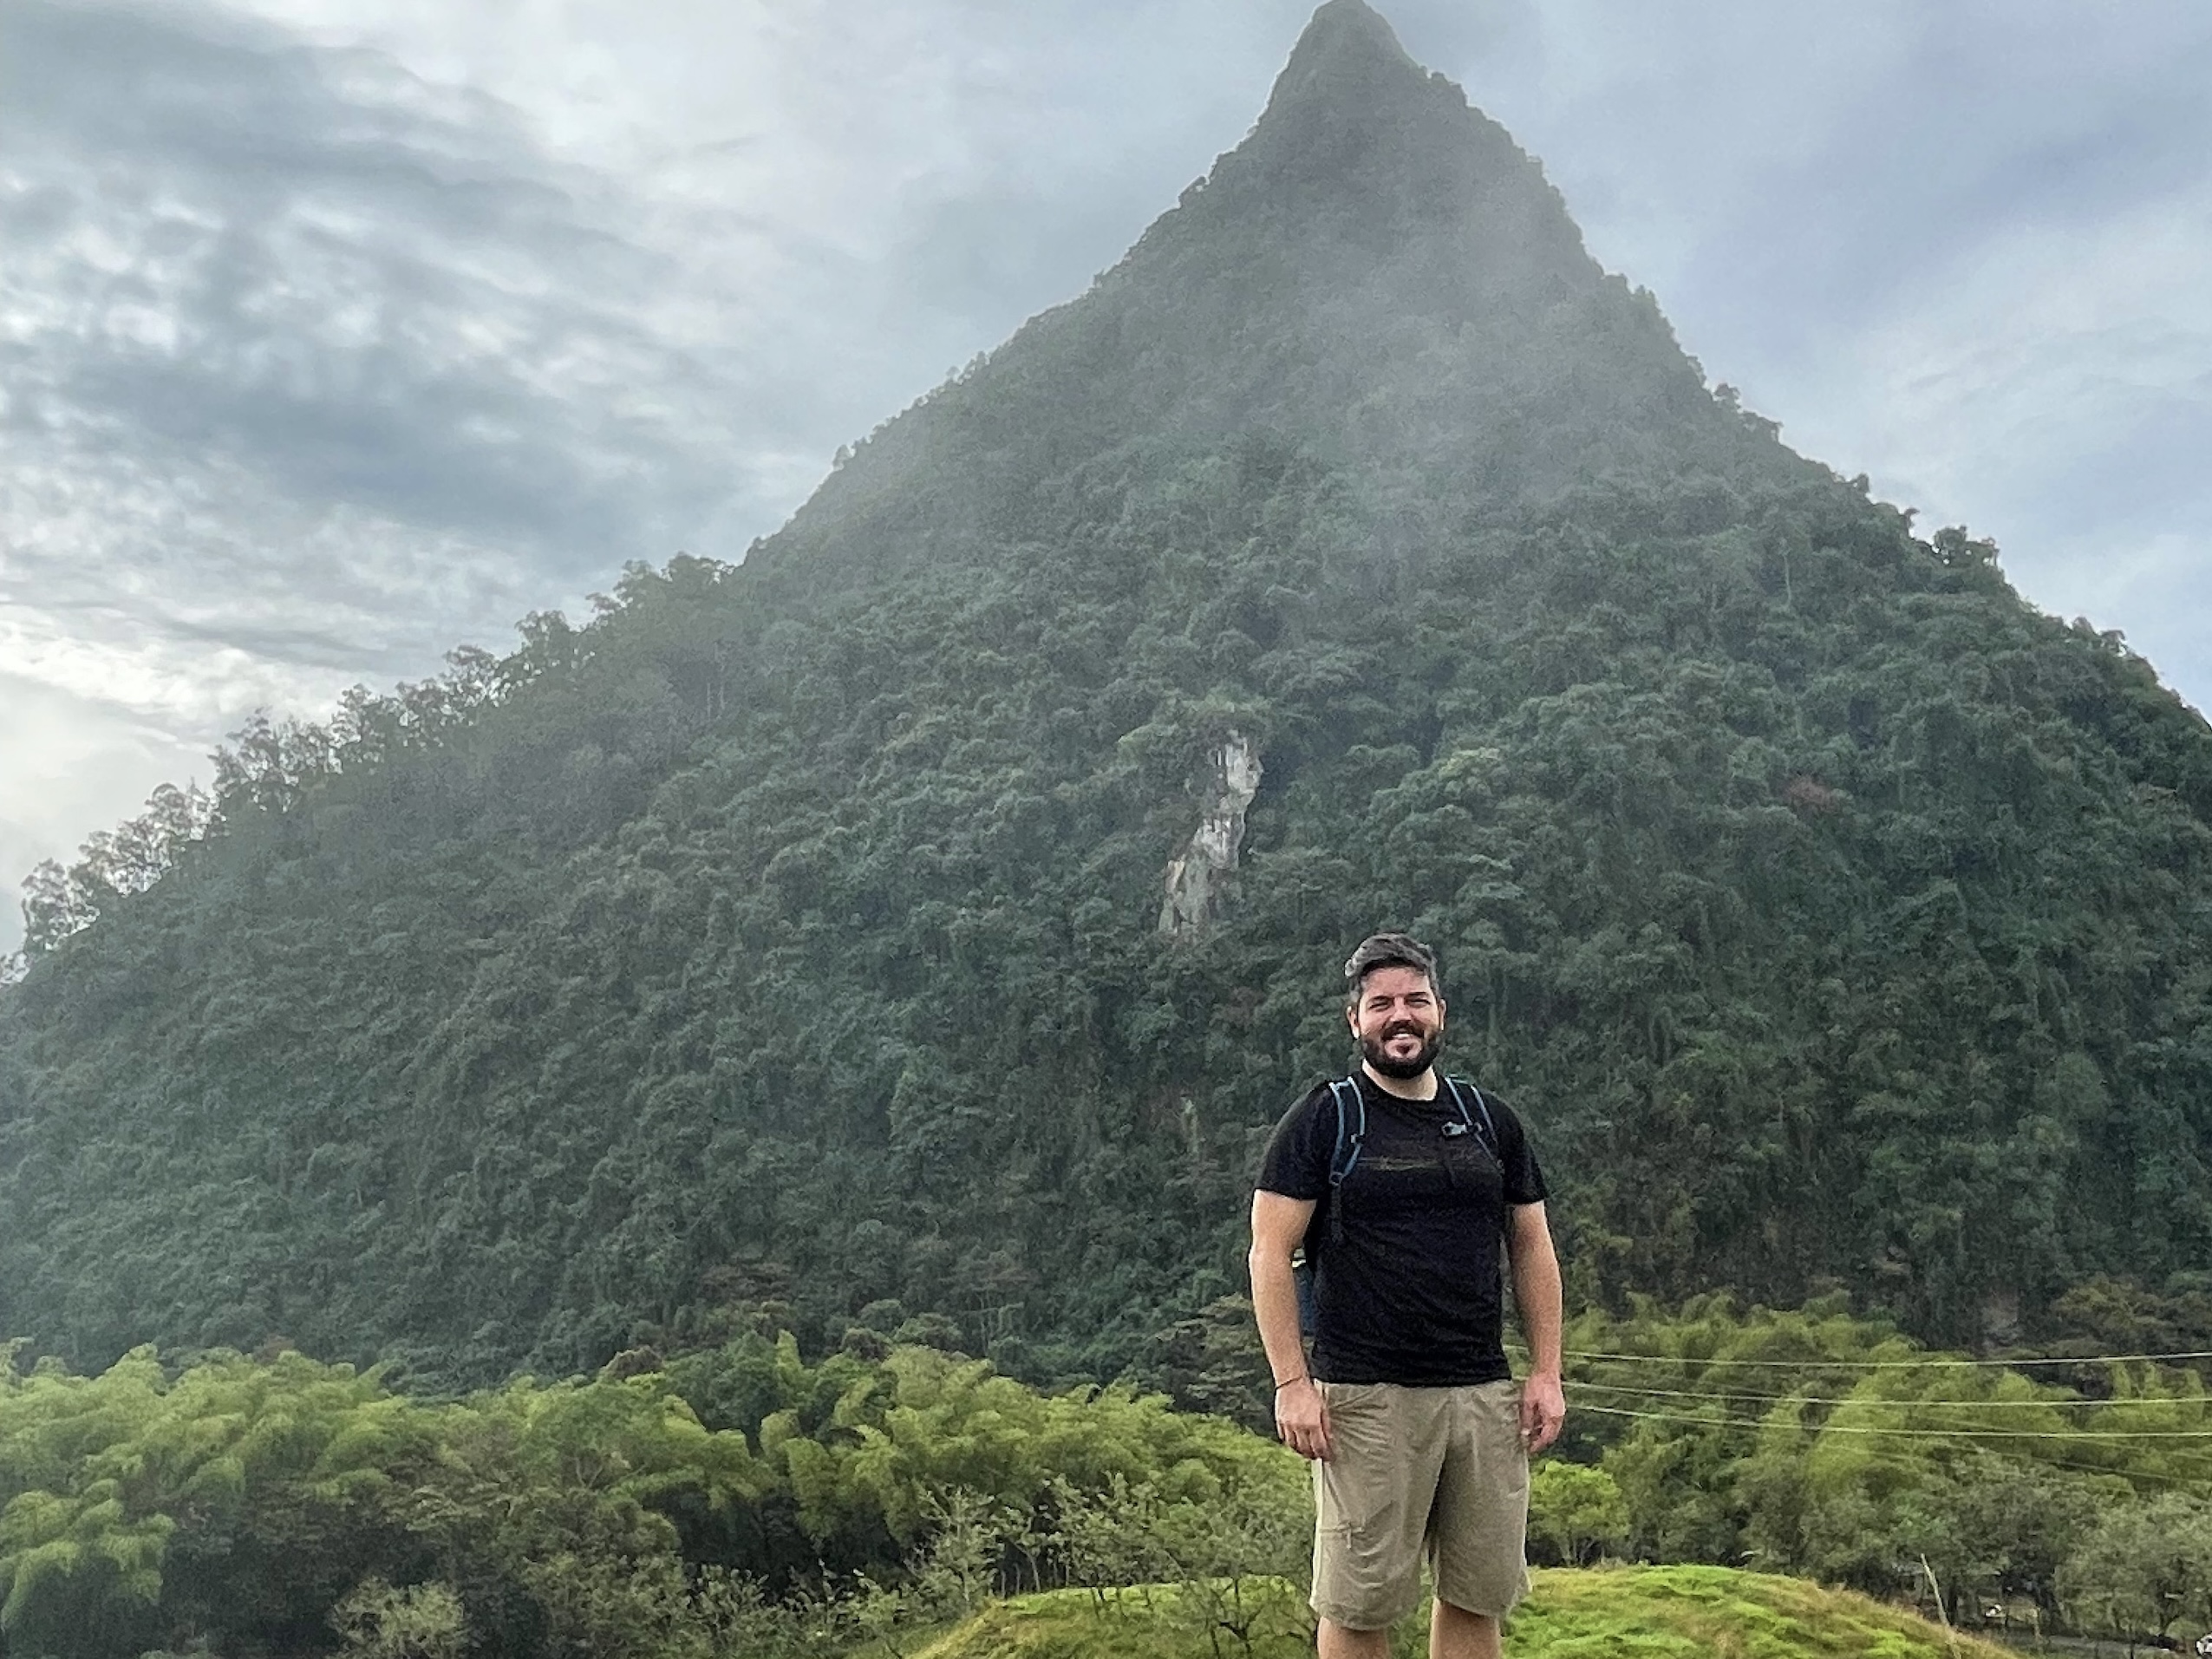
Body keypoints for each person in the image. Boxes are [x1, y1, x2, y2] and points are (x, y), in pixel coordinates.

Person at [1250, 931, 1564, 1659]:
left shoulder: (1489, 1119)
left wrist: (1545, 1371)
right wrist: (1292, 1383)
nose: (1400, 1015)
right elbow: (1269, 1253)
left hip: (1481, 1395)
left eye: (1414, 1000)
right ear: (1353, 1019)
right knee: (1359, 1604)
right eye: (1381, 1003)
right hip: (1365, 1398)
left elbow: (1531, 1246)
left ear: (1440, 1012)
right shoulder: (1325, 1118)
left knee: (1476, 1594)